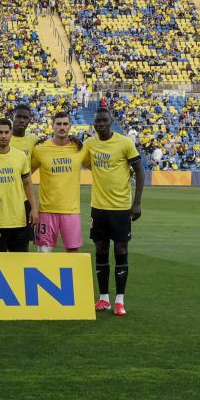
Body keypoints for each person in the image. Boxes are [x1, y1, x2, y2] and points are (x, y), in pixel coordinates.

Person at [86, 108, 144, 316]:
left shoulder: (125, 143)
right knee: (101, 250)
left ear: (111, 122)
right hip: (98, 208)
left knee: (120, 251)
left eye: (104, 121)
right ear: (93, 124)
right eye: (97, 121)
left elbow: (139, 171)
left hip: (120, 208)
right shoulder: (89, 144)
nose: (100, 124)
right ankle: (103, 299)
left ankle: (119, 301)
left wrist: (136, 203)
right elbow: (78, 157)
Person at [31, 112, 87, 253]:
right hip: (46, 210)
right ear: (52, 126)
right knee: (44, 252)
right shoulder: (40, 149)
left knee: (73, 252)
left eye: (65, 124)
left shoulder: (80, 148)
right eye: (59, 124)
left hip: (71, 210)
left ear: (70, 126)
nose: (62, 127)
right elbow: (25, 174)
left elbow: (96, 167)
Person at [0, 118, 39, 252]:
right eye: (0, 132)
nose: (3, 136)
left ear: (11, 134)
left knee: (20, 263)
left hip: (19, 218)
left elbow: (27, 183)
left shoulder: (20, 156)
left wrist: (34, 208)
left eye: (6, 132)